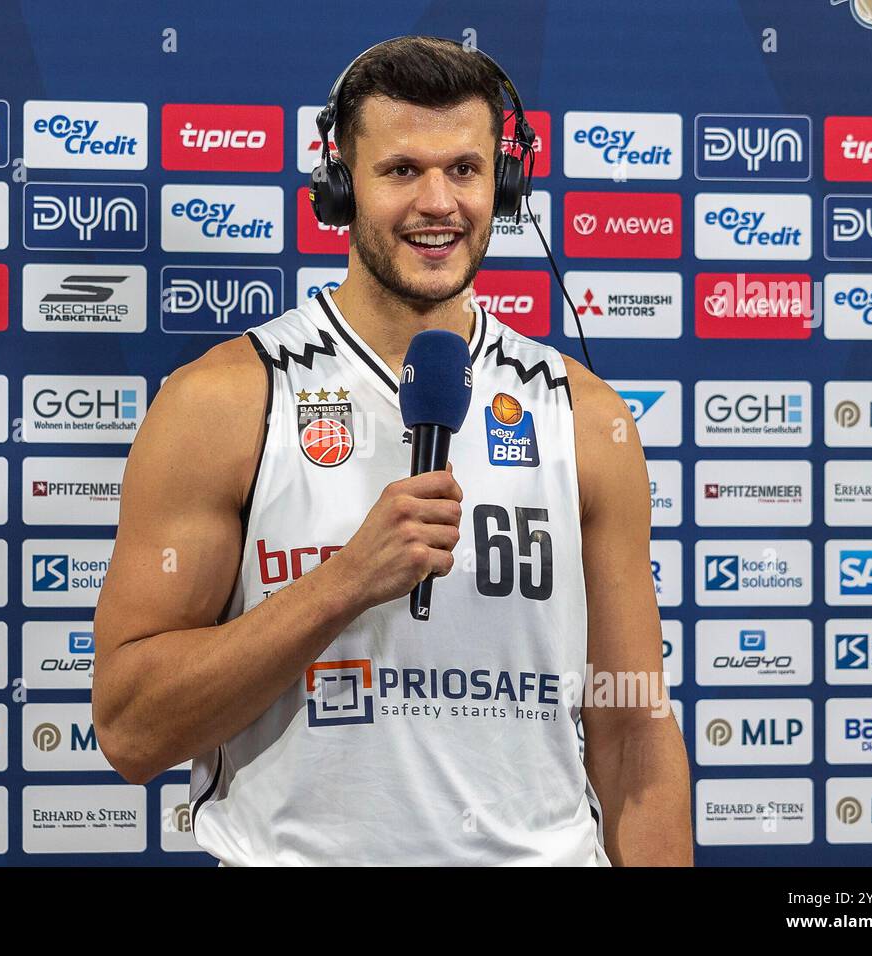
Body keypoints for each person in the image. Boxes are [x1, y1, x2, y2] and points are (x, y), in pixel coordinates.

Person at [91, 35, 692, 865]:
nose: (438, 202)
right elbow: (131, 730)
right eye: (402, 170)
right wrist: (341, 585)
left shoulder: (586, 418)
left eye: (466, 170)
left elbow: (632, 734)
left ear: (504, 183)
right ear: (339, 186)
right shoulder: (222, 401)